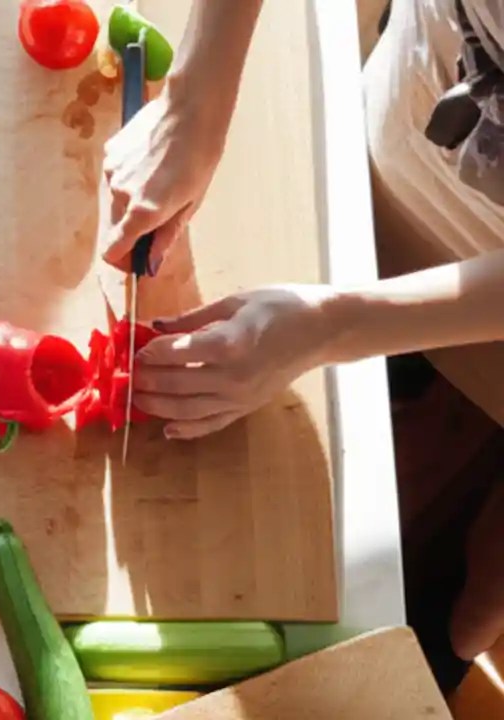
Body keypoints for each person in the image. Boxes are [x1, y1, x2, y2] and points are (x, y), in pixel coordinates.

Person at [100, 0, 503, 667]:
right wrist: (196, 95)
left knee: (481, 592)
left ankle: (468, 615)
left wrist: (332, 325)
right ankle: (411, 381)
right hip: (438, 78)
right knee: (375, 260)